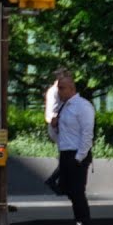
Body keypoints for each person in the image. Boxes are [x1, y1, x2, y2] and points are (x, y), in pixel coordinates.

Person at [49, 72, 95, 225]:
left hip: (77, 154)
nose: (59, 92)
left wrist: (79, 158)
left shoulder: (82, 106)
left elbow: (87, 134)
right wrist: (53, 126)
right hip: (65, 152)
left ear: (71, 88)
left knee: (77, 195)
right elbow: (57, 136)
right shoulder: (63, 107)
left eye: (62, 88)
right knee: (71, 194)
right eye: (58, 88)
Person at [42, 67, 68, 195]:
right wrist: (56, 125)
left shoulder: (56, 90)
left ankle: (60, 184)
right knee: (67, 156)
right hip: (57, 125)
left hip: (58, 125)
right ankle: (52, 180)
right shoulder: (56, 91)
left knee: (66, 156)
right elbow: (53, 111)